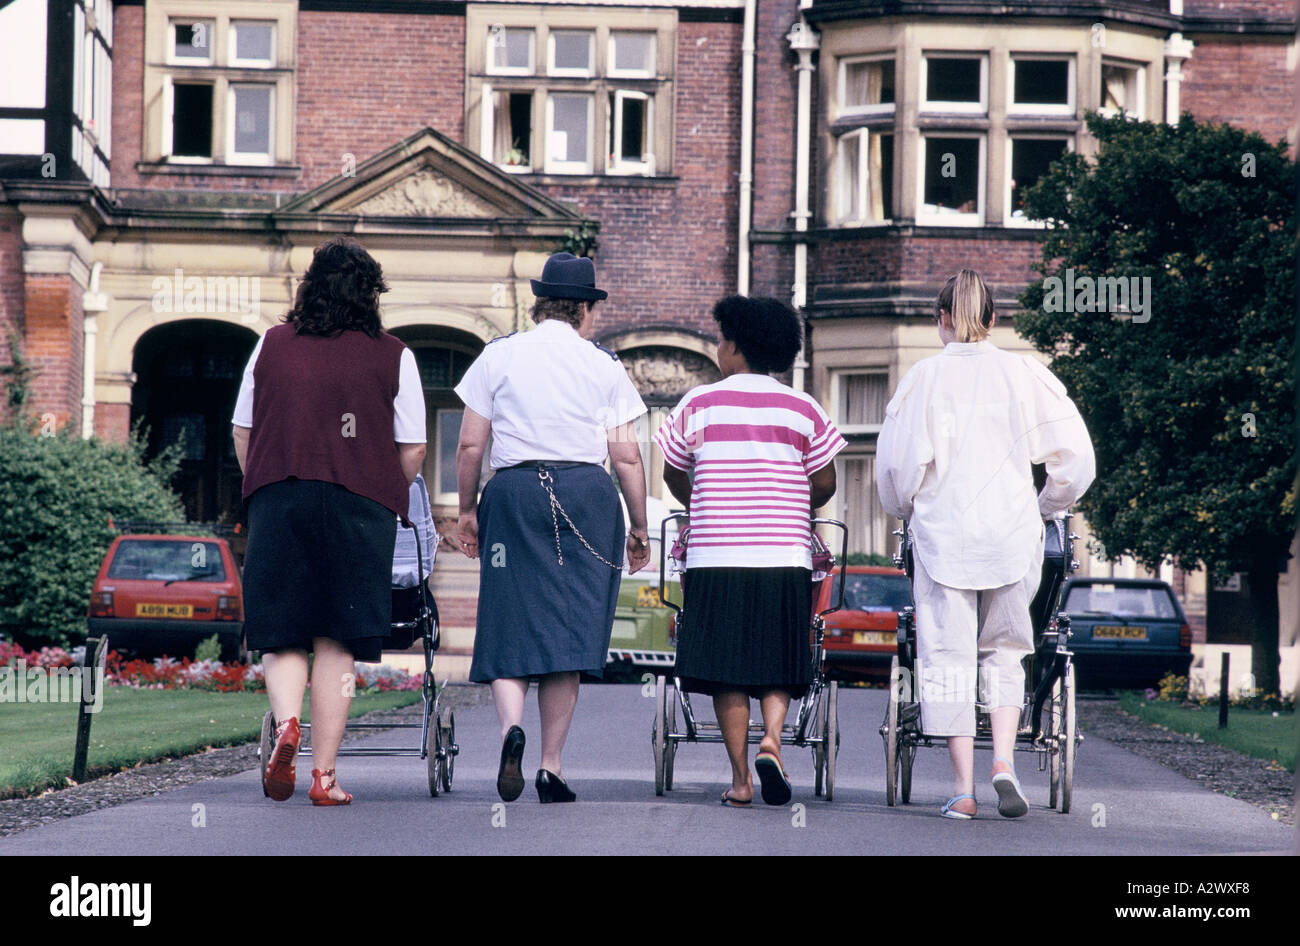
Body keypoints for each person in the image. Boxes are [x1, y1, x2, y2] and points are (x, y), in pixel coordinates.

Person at [875, 269, 1095, 819]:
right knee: (1007, 650)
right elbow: (1076, 461)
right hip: (1010, 536)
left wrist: (906, 508)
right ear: (994, 319)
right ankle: (1003, 760)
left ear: (941, 319)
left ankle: (964, 790)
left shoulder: (922, 378)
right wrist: (1042, 507)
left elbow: (899, 470)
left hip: (944, 537)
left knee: (946, 657)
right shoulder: (1025, 373)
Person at [232, 236, 427, 806]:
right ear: (370, 295)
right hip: (359, 506)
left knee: (283, 631)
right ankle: (324, 777)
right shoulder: (395, 354)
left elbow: (243, 432)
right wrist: (378, 483)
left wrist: (266, 482)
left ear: (308, 287)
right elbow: (413, 448)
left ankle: (288, 724)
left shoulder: (270, 345)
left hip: (278, 497)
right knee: (338, 640)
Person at [453, 252, 651, 804]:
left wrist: (467, 510)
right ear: (585, 308)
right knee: (572, 626)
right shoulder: (605, 365)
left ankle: (508, 729)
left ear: (540, 304)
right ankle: (550, 766)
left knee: (508, 613)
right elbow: (627, 457)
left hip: (514, 492)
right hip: (587, 495)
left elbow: (471, 444)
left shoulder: (499, 355)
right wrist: (639, 526)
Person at [654, 296, 846, 807]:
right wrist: (789, 503)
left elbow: (674, 471)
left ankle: (740, 781)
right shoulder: (804, 406)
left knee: (726, 667)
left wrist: (705, 500)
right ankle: (773, 742)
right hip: (783, 553)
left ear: (735, 346)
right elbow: (824, 480)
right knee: (779, 657)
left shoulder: (698, 403)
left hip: (716, 554)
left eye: (720, 340)